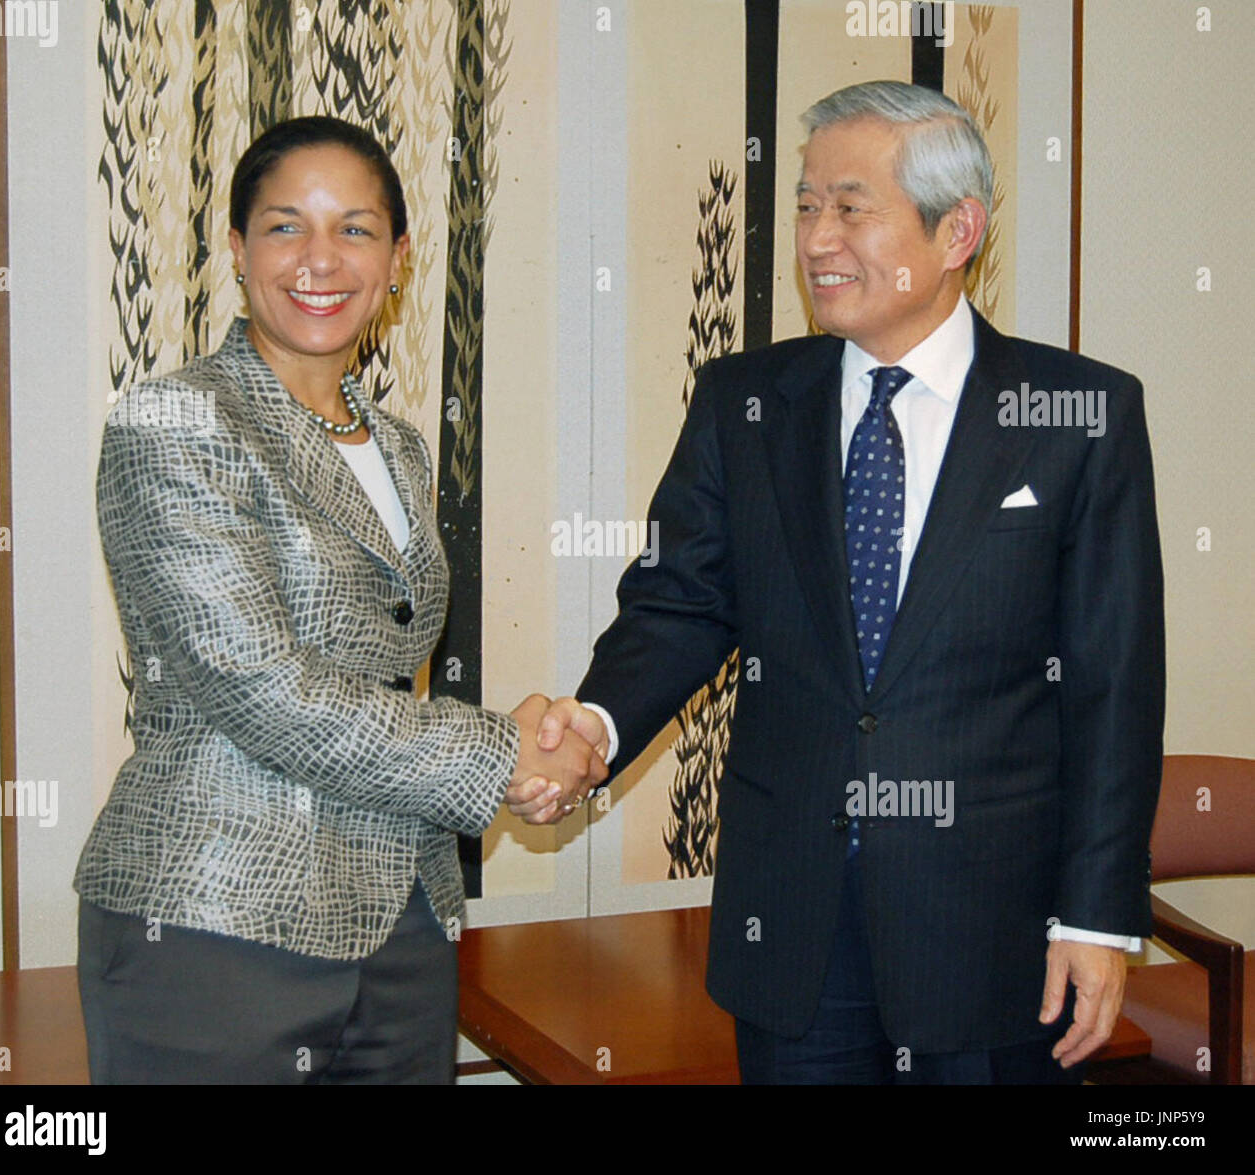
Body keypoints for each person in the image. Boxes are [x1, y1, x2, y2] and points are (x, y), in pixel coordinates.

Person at [514, 80, 1165, 1084]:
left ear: (957, 231)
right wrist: (595, 725)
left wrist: (1098, 914)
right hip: (793, 919)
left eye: (851, 207)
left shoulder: (1078, 413)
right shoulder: (746, 400)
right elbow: (680, 600)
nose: (817, 237)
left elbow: (1114, 688)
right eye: (808, 205)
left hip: (993, 927)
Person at [74, 115, 607, 1085]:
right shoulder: (173, 421)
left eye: (356, 229)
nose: (320, 259)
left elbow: (376, 668)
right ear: (236, 249)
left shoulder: (396, 445)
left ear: (398, 258)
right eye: (285, 226)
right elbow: (258, 683)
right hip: (215, 917)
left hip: (400, 914)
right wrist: (501, 750)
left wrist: (520, 737)